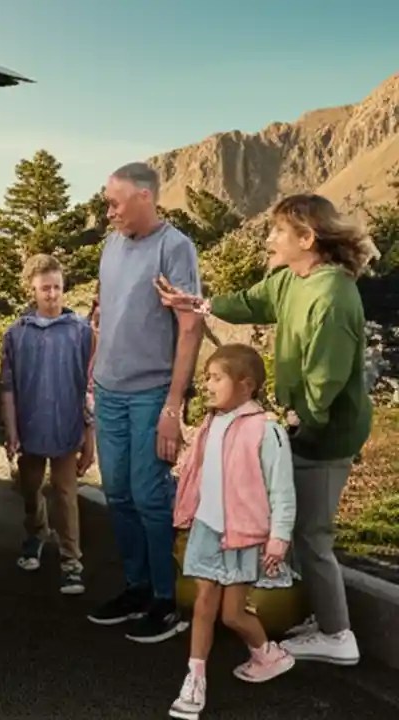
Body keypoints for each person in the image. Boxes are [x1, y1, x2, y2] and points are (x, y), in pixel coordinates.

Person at [156, 193, 377, 666]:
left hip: (326, 434)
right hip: (303, 426)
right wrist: (197, 302)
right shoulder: (290, 281)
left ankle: (339, 637)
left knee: (312, 535)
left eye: (278, 231)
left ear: (306, 238)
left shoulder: (334, 296)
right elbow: (251, 302)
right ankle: (322, 617)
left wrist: (286, 429)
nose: (269, 239)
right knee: (292, 523)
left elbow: (325, 382)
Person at [86, 162, 205, 643]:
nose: (108, 211)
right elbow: (103, 313)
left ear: (145, 197)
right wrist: (92, 377)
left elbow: (191, 327)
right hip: (110, 391)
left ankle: (165, 598)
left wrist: (173, 407)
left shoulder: (175, 248)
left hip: (152, 393)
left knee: (149, 495)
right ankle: (136, 588)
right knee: (117, 494)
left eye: (115, 202)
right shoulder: (113, 243)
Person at [168, 344, 297, 719]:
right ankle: (195, 679)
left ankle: (267, 654)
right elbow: (199, 471)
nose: (207, 385)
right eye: (206, 377)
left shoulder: (267, 431)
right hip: (209, 529)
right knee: (204, 603)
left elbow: (282, 490)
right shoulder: (212, 423)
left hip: (242, 535)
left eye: (215, 378)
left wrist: (279, 538)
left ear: (247, 385)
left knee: (232, 615)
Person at [1, 253, 95, 595]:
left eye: (56, 287)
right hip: (29, 425)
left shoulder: (81, 332)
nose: (52, 294)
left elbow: (89, 386)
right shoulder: (16, 334)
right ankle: (36, 534)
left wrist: (90, 435)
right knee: (30, 489)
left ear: (63, 287)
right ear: (33, 290)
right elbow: (8, 387)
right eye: (45, 288)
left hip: (67, 426)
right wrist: (11, 430)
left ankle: (72, 561)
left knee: (66, 494)